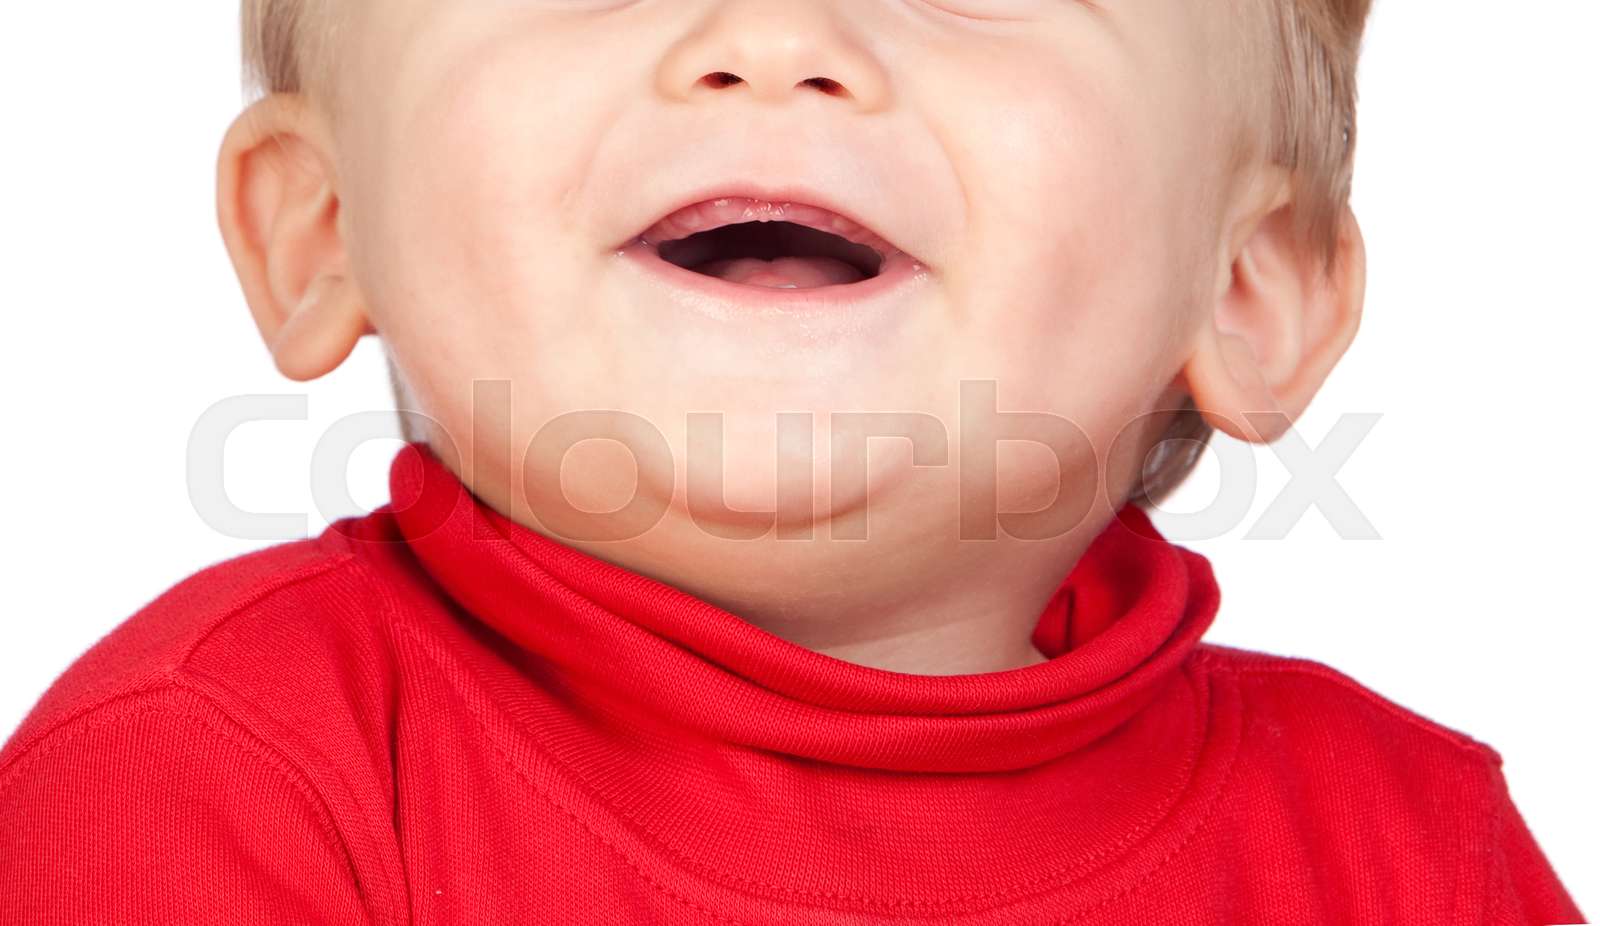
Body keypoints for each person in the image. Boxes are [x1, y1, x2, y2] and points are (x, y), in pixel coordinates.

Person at [0, 0, 1583, 922]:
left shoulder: (1409, 857)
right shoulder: (213, 783)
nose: (770, 40)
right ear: (322, 227)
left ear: (1248, 285)